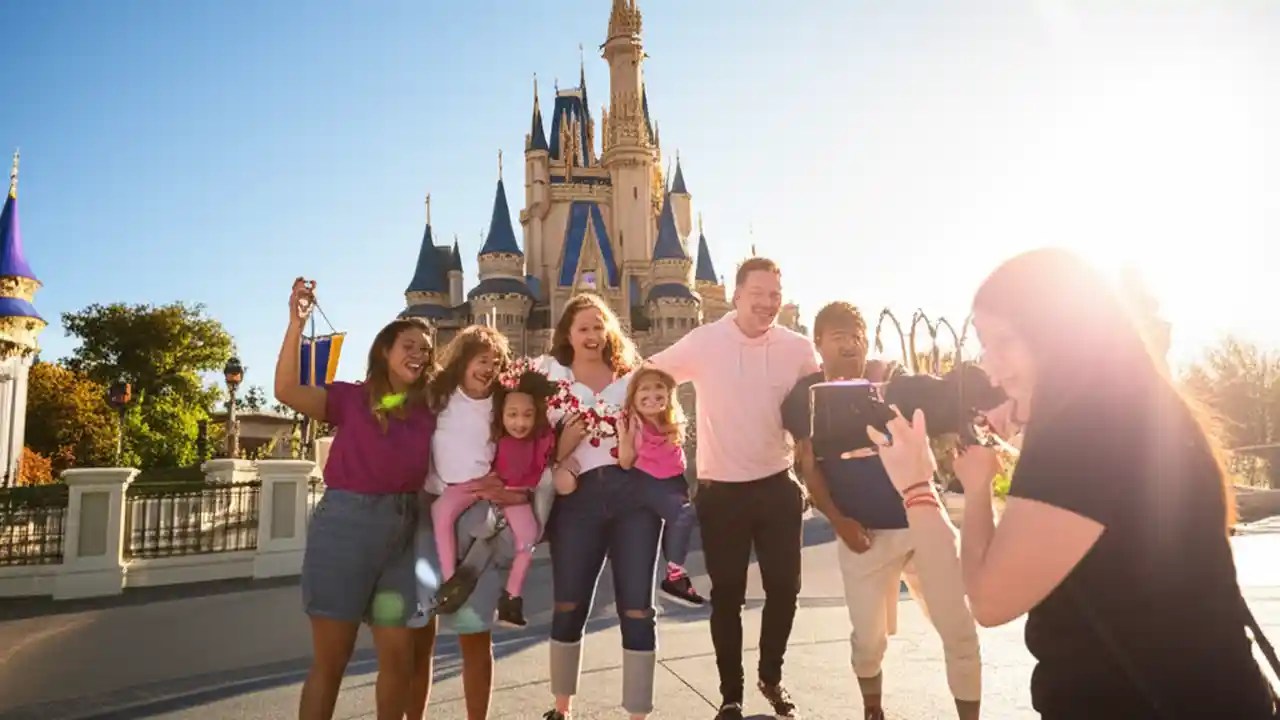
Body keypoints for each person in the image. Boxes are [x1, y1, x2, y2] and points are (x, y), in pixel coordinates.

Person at [870, 248, 1278, 719]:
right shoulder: (1138, 411)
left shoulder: (1081, 436)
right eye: (985, 344)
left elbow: (988, 598)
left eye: (1005, 342)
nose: (991, 365)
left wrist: (930, 486)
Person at [784, 301, 981, 720]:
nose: (851, 345)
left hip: (924, 519)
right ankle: (873, 709)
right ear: (819, 344)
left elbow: (941, 394)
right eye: (838, 338)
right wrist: (840, 522)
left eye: (857, 337)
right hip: (865, 532)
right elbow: (808, 466)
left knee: (960, 630)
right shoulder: (804, 397)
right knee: (869, 642)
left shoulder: (890, 381)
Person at [649, 257, 819, 720]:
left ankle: (771, 675)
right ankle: (731, 695)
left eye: (775, 296)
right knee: (727, 596)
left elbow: (825, 402)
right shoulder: (705, 341)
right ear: (737, 294)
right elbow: (650, 374)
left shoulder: (798, 348)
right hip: (722, 490)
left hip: (777, 484)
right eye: (759, 294)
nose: (768, 304)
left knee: (785, 588)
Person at [274, 278, 434, 720]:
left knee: (399, 657)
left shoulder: (428, 407)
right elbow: (286, 391)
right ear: (385, 350)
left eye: (426, 349)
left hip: (403, 534)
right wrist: (296, 324)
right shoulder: (352, 398)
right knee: (333, 660)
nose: (419, 354)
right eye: (409, 345)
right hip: (346, 528)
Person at [540, 293, 658, 720]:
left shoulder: (632, 379)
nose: (592, 335)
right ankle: (561, 708)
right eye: (583, 327)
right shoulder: (549, 376)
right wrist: (561, 448)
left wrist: (634, 446)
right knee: (569, 602)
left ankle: (638, 712)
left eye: (598, 326)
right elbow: (520, 432)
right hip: (577, 500)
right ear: (568, 334)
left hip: (633, 499)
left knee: (637, 606)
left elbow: (665, 428)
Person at [406, 325, 530, 720]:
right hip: (435, 510)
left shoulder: (502, 402)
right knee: (420, 630)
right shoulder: (436, 395)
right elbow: (394, 401)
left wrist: (517, 491)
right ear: (463, 360)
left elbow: (528, 441)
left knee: (475, 633)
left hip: (479, 510)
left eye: (496, 364)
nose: (489, 369)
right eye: (482, 361)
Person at [436, 359, 555, 628]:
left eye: (527, 415)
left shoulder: (541, 439)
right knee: (447, 515)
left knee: (526, 539)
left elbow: (542, 470)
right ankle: (450, 579)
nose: (520, 422)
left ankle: (512, 598)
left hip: (516, 496)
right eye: (512, 415)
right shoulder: (495, 438)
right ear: (501, 415)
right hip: (489, 491)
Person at [612, 366, 705, 606]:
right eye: (645, 389)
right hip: (647, 480)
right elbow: (625, 461)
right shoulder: (633, 423)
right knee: (683, 515)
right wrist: (624, 439)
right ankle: (675, 576)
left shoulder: (670, 424)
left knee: (682, 518)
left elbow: (675, 458)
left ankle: (675, 573)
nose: (652, 394)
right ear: (633, 396)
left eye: (659, 388)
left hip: (673, 480)